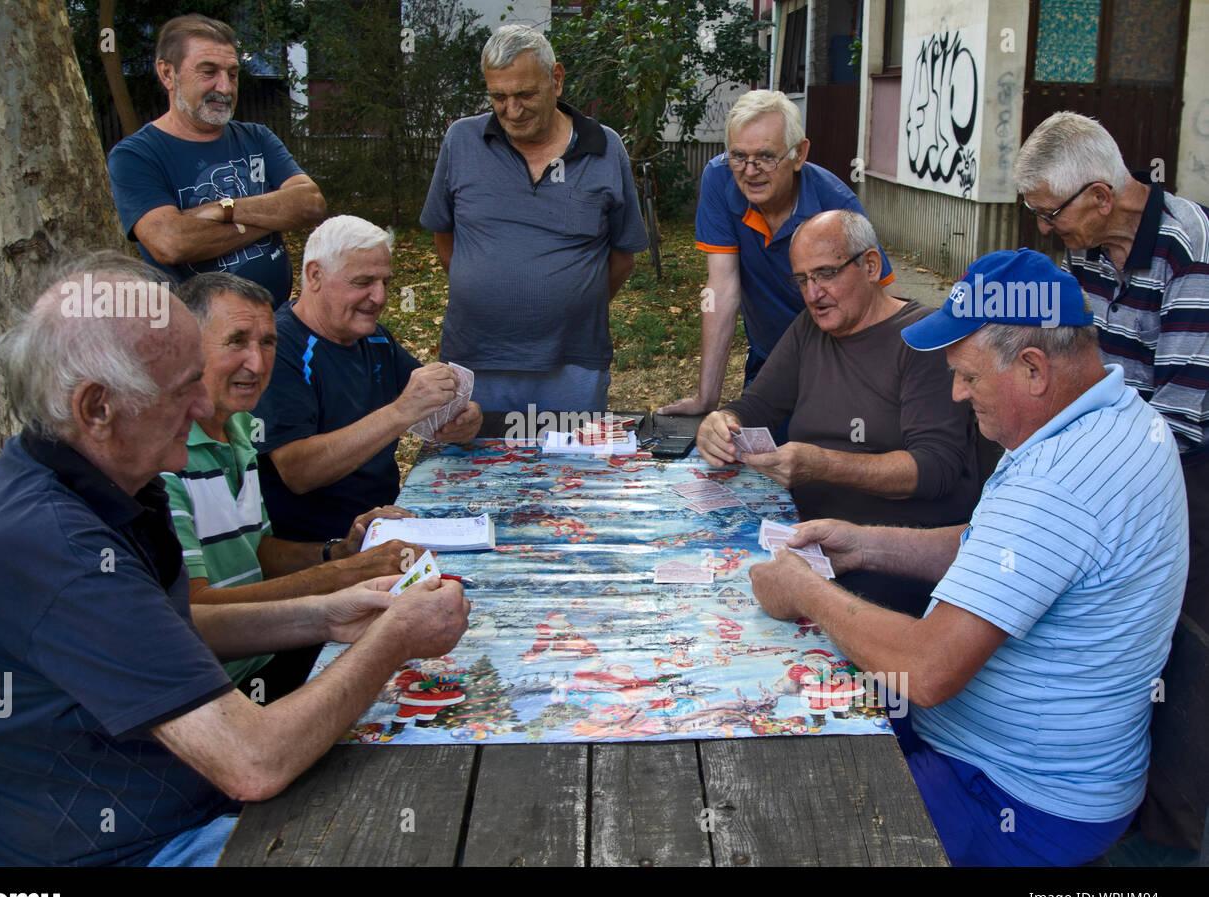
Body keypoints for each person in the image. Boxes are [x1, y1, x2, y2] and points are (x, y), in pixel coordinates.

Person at [0, 251, 469, 866]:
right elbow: (254, 763)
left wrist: (325, 616)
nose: (204, 410)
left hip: (170, 805)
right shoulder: (53, 546)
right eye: (182, 390)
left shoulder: (103, 476)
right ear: (96, 408)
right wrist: (392, 637)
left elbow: (175, 626)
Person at [750, 249, 1188, 866]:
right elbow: (1004, 551)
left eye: (970, 376)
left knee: (791, 824)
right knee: (781, 712)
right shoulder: (1113, 416)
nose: (956, 393)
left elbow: (928, 672)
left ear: (1033, 370)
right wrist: (864, 542)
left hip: (1019, 796)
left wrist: (809, 593)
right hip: (1017, 757)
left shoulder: (1059, 481)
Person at [695, 210, 980, 614]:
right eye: (802, 280)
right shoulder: (810, 329)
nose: (813, 294)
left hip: (890, 560)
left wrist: (823, 465)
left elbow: (934, 468)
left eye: (826, 274)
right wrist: (721, 421)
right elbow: (756, 407)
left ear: (870, 266)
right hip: (808, 538)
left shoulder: (921, 339)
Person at [166, 272, 416, 691]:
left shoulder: (240, 427)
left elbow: (258, 551)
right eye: (236, 341)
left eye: (267, 343)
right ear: (184, 347)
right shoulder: (161, 455)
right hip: (214, 691)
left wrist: (338, 552)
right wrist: (346, 574)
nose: (259, 363)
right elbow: (196, 612)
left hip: (269, 657)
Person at [1015, 111, 1207, 628]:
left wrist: (1074, 470)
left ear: (1101, 197)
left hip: (1180, 473)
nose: (1043, 228)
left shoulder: (1191, 249)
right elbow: (1058, 353)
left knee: (1159, 623)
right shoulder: (1085, 248)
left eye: (1050, 213)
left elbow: (1179, 426)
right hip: (1108, 447)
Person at [419, 24, 648, 413]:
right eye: (498, 96)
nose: (512, 110)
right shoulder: (461, 141)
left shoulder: (604, 147)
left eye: (525, 94)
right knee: (474, 473)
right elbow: (446, 241)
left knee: (569, 473)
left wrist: (572, 304)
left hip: (572, 365)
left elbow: (622, 257)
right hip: (475, 361)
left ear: (556, 80)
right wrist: (489, 290)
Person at [661, 90, 895, 418]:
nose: (750, 170)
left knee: (820, 460)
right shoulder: (720, 177)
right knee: (751, 455)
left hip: (838, 362)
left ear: (799, 154)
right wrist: (706, 398)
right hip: (768, 355)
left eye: (767, 157)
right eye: (738, 155)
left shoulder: (837, 206)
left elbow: (883, 304)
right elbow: (722, 290)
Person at [253, 215, 482, 543]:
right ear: (314, 275)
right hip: (318, 548)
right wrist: (400, 412)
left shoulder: (375, 339)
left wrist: (465, 417)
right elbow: (298, 471)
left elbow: (437, 406)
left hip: (387, 523)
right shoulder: (278, 347)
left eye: (386, 282)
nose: (380, 297)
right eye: (363, 282)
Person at [108, 13, 326, 307]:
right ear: (167, 74)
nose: (225, 87)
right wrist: (274, 216)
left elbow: (311, 203)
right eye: (208, 72)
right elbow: (171, 242)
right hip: (197, 338)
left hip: (276, 324)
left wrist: (224, 210)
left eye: (233, 74)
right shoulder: (136, 155)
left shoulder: (257, 137)